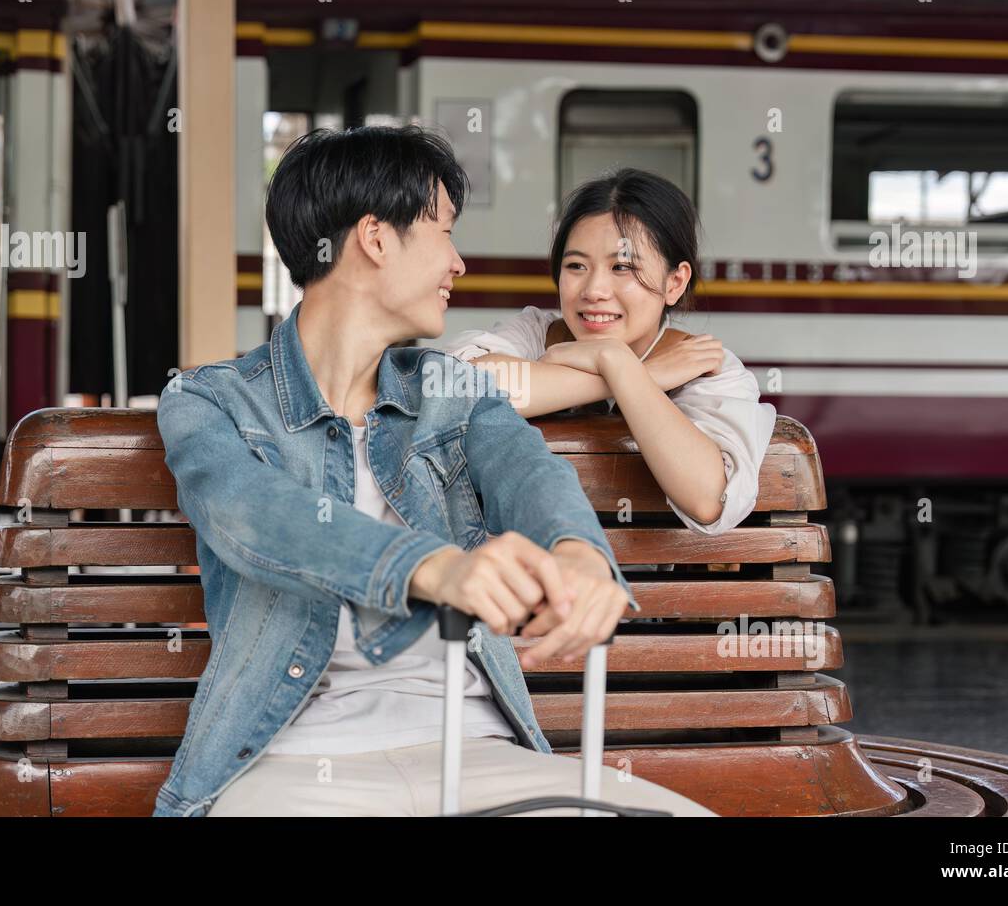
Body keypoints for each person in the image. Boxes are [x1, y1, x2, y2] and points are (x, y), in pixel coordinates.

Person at [152, 127, 716, 817]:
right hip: (293, 763)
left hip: (475, 748)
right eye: (443, 231)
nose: (458, 263)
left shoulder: (451, 390)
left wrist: (580, 553)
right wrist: (434, 569)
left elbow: (528, 473)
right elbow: (256, 516)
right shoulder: (208, 401)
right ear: (376, 239)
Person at [445, 168, 777, 538]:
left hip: (657, 594)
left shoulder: (704, 366)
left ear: (675, 282)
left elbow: (707, 497)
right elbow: (460, 389)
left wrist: (620, 365)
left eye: (622, 267)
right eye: (576, 266)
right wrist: (635, 375)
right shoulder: (532, 335)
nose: (594, 289)